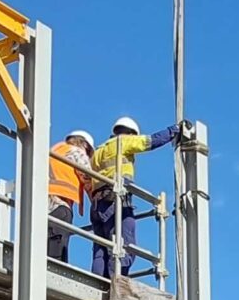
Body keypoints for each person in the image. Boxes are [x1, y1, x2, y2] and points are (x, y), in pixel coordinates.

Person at [90, 116, 180, 278]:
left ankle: (98, 281)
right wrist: (174, 130)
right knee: (125, 244)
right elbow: (151, 141)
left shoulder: (98, 151)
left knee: (101, 246)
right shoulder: (124, 141)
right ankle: (117, 281)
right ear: (131, 133)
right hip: (115, 199)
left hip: (97, 204)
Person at [48, 128, 95, 265]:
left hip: (42, 202)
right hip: (60, 203)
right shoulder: (77, 151)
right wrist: (97, 200)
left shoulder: (55, 150)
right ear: (85, 145)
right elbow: (87, 175)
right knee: (58, 245)